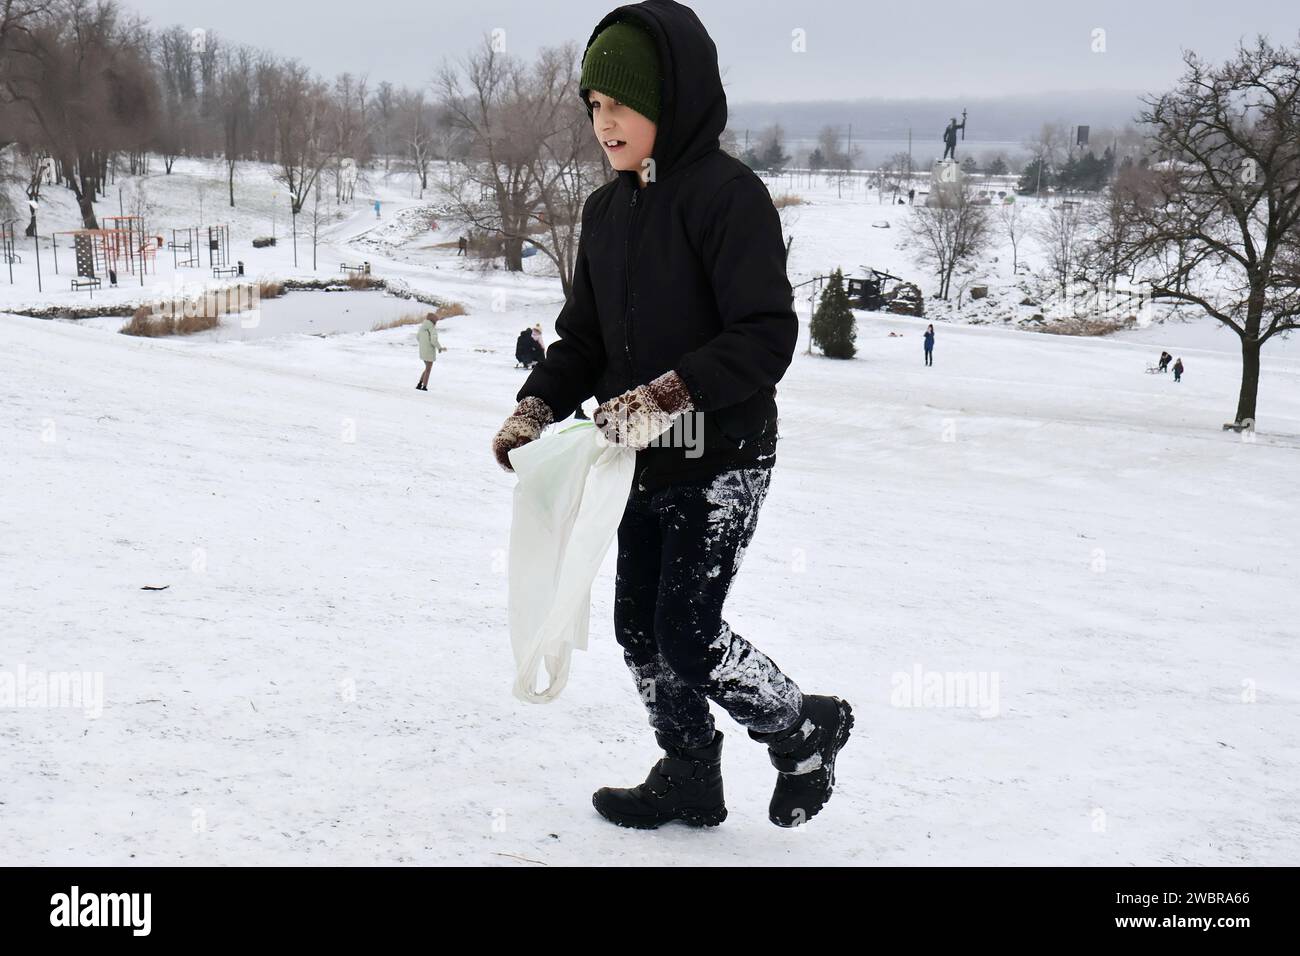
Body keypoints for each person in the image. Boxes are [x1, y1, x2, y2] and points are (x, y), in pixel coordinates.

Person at [491, 0, 852, 831]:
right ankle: (690, 772)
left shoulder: (729, 198)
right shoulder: (604, 211)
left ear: (673, 99)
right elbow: (582, 337)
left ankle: (804, 728)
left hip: (722, 453)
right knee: (637, 633)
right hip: (638, 462)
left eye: (621, 104)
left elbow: (765, 337)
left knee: (688, 633)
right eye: (593, 106)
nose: (604, 123)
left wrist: (663, 397)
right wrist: (537, 404)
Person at [415, 313, 442, 390]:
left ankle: (419, 384)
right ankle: (424, 386)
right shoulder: (432, 329)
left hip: (422, 351)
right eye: (436, 321)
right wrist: (439, 348)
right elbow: (434, 340)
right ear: (433, 321)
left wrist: (424, 344)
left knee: (427, 368)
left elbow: (417, 337)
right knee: (428, 370)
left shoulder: (422, 327)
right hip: (429, 351)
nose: (436, 323)